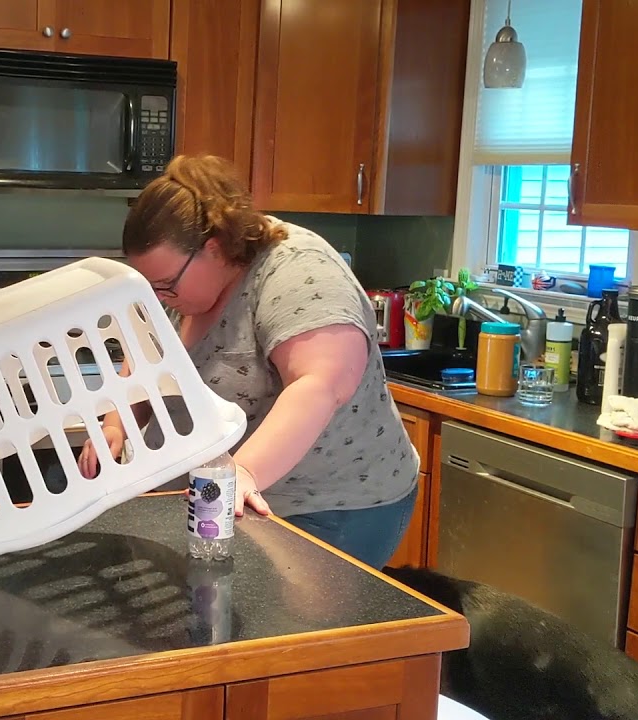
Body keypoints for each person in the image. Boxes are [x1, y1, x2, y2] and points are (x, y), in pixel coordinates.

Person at [77, 154, 420, 570]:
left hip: (329, 504)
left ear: (215, 248)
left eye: (166, 284)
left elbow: (321, 384)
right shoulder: (179, 290)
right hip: (221, 501)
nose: (158, 295)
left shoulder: (297, 271)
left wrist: (244, 473)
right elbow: (150, 356)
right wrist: (116, 424)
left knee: (289, 631)